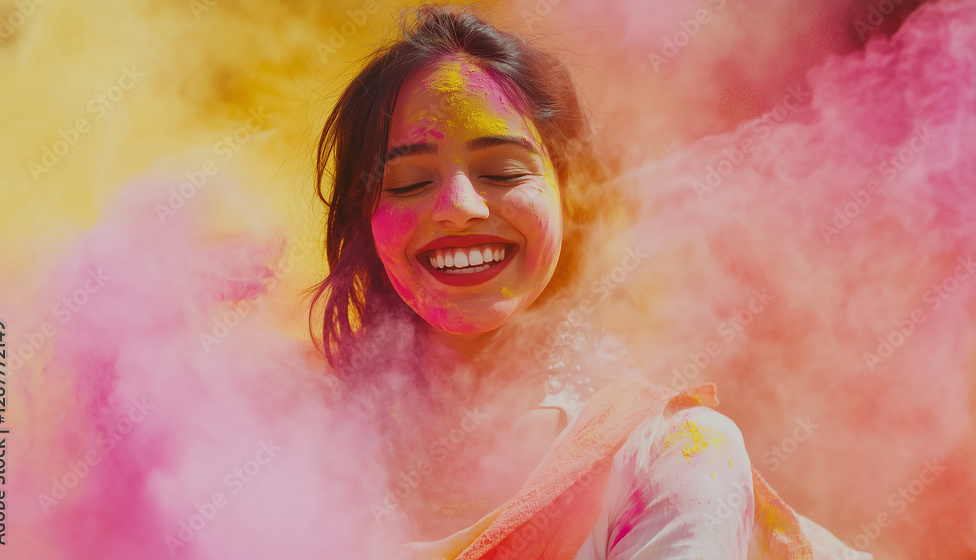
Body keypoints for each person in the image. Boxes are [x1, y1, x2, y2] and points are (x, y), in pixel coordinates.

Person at [308, 5, 870, 559]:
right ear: (363, 221)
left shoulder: (675, 456)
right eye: (407, 182)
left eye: (502, 171)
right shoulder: (289, 446)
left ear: (570, 196)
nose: (457, 207)